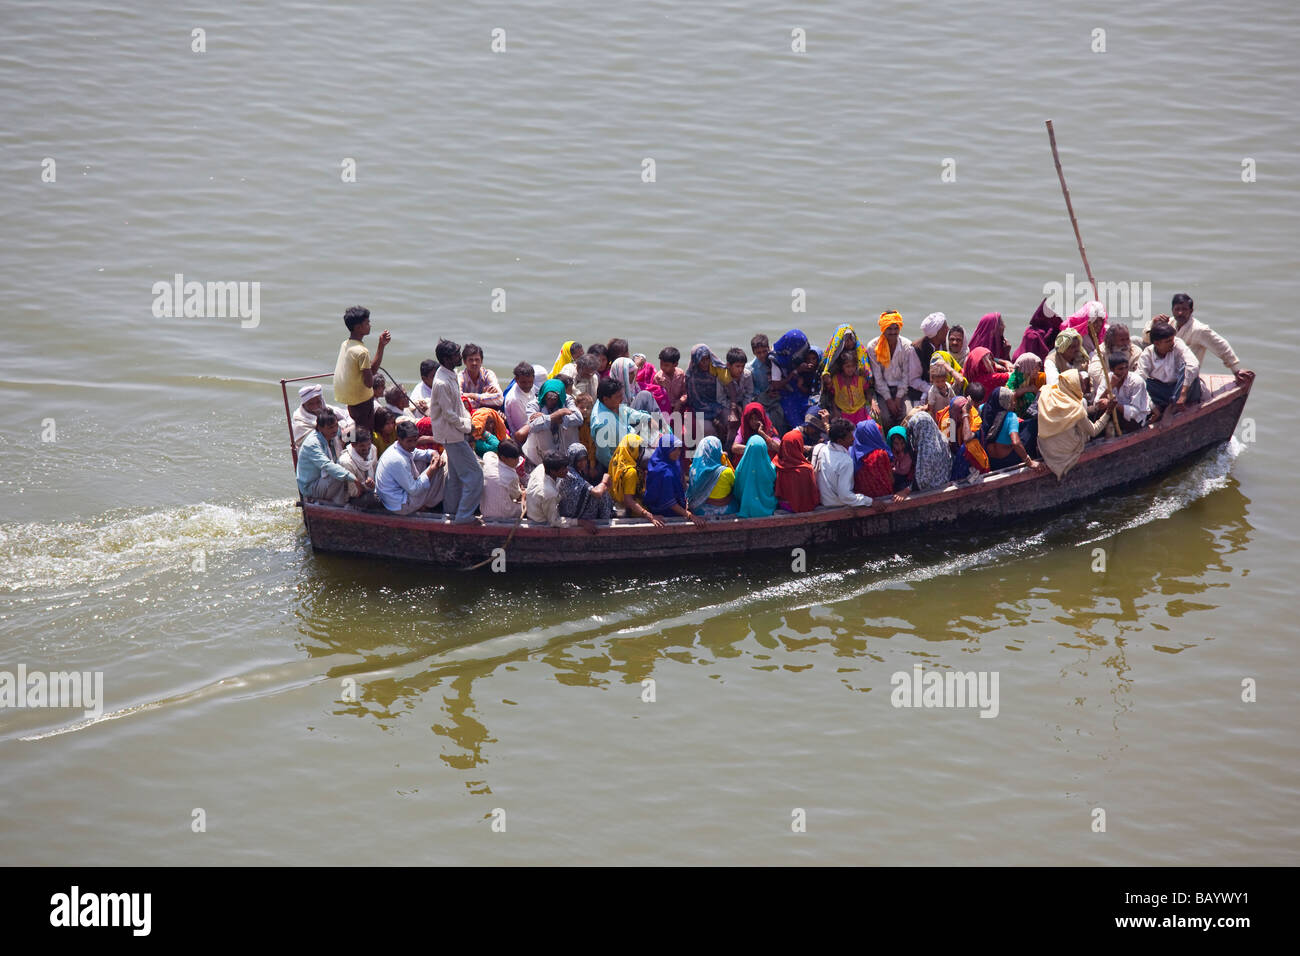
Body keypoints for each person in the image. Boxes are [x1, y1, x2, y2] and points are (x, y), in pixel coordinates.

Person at [428, 339, 483, 523]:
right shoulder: (442, 382)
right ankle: (464, 516)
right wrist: (468, 426)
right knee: (475, 476)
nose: (460, 357)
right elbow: (449, 415)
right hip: (451, 435)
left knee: (456, 476)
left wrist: (468, 421)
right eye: (456, 355)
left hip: (455, 432)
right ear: (446, 358)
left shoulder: (450, 373)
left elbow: (458, 404)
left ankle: (451, 512)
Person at [1143, 294, 1253, 384]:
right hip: (1163, 369)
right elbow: (1148, 341)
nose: (1180, 313)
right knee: (1136, 341)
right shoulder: (1169, 323)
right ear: (1172, 310)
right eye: (1177, 309)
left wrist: (1235, 370)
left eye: (1184, 309)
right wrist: (1154, 324)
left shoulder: (1199, 329)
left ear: (1191, 311)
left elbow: (1221, 345)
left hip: (1183, 375)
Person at [1036, 369, 1109, 479]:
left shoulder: (1047, 393)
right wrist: (1108, 412)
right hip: (1062, 452)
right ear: (1074, 386)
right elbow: (1094, 431)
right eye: (1081, 384)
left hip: (1045, 448)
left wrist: (1096, 408)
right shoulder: (1075, 408)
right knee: (1089, 429)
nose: (1084, 387)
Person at [332, 306, 390, 435]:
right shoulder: (362, 352)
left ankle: (347, 445)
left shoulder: (346, 344)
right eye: (367, 323)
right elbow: (369, 382)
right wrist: (381, 347)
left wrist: (381, 345)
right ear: (358, 327)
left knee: (355, 426)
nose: (370, 325)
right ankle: (357, 450)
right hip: (362, 401)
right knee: (365, 432)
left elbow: (369, 370)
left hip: (350, 400)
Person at [375, 419, 447, 514]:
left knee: (427, 461)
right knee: (439, 468)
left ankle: (428, 501)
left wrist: (435, 454)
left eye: (415, 440)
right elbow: (414, 490)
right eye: (409, 441)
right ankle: (429, 504)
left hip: (395, 498)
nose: (413, 444)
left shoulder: (399, 447)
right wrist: (432, 469)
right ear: (399, 439)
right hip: (400, 505)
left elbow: (422, 453)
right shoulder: (397, 459)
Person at [867, 311, 924, 429]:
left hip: (902, 391)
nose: (893, 332)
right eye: (889, 328)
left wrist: (898, 399)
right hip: (882, 392)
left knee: (908, 416)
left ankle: (903, 443)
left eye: (896, 328)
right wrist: (888, 400)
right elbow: (878, 377)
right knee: (884, 418)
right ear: (883, 329)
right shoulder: (873, 347)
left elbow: (906, 375)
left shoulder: (907, 346)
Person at [297, 411, 366, 505]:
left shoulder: (333, 433)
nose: (334, 430)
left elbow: (350, 434)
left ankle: (355, 493)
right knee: (342, 471)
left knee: (351, 460)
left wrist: (356, 442)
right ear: (320, 428)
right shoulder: (313, 444)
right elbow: (327, 466)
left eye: (336, 425)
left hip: (324, 479)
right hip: (311, 486)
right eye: (330, 427)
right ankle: (343, 502)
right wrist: (354, 479)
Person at [1138, 320, 1202, 422]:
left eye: (1172, 339)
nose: (1172, 343)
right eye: (1168, 341)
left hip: (1180, 388)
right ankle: (1162, 406)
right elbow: (1140, 380)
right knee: (1142, 382)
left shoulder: (1177, 343)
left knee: (1190, 371)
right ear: (1157, 343)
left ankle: (1171, 407)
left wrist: (1183, 393)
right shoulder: (1147, 354)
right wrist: (1152, 406)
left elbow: (1193, 363)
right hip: (1162, 391)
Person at [643, 432, 707, 526]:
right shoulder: (664, 472)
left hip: (676, 500)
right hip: (662, 508)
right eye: (674, 449)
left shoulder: (672, 461)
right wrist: (690, 515)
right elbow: (669, 502)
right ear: (666, 449)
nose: (678, 452)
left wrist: (686, 500)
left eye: (679, 449)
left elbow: (682, 482)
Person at [591, 378, 654, 468]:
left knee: (645, 395)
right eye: (618, 397)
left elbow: (628, 412)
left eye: (621, 395)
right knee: (656, 457)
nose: (622, 399)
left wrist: (648, 419)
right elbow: (604, 456)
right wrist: (623, 469)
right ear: (606, 399)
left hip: (630, 434)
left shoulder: (610, 403)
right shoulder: (602, 424)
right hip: (623, 454)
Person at [518, 378, 583, 466]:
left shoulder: (567, 399)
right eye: (548, 398)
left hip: (564, 448)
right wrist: (555, 415)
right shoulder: (533, 404)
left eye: (554, 399)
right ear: (544, 395)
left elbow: (579, 418)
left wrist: (545, 418)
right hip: (539, 452)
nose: (551, 401)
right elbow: (532, 426)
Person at [811, 419, 873, 507]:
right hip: (835, 503)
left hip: (822, 500)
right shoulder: (845, 461)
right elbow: (845, 496)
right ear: (840, 441)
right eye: (849, 437)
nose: (853, 438)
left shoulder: (819, 448)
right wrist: (869, 501)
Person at [606, 434, 663, 525]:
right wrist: (649, 515)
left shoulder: (617, 459)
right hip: (635, 514)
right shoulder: (631, 472)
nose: (642, 451)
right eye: (639, 449)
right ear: (632, 449)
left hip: (617, 506)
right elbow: (628, 500)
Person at [979, 387, 1040, 473]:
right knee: (1033, 425)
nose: (1014, 404)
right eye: (1011, 402)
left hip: (990, 459)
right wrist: (1029, 462)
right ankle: (1034, 455)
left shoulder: (983, 409)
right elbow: (1015, 443)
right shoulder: (1010, 417)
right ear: (1005, 403)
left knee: (1023, 425)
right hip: (1007, 461)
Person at [897, 410, 952, 497]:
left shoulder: (927, 450)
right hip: (944, 477)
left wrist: (905, 491)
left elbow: (922, 480)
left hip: (934, 486)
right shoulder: (940, 437)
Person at [525, 451, 582, 527]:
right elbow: (555, 521)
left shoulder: (541, 467)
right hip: (540, 522)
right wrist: (579, 522)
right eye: (563, 469)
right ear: (553, 471)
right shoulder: (550, 493)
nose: (567, 470)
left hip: (534, 508)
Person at [558, 442, 613, 520]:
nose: (583, 463)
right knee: (603, 493)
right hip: (572, 515)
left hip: (572, 510)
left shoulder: (572, 469)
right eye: (579, 460)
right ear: (572, 459)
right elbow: (597, 493)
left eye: (584, 459)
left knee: (601, 488)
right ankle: (605, 520)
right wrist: (604, 481)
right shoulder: (571, 474)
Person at [687, 435, 738, 516]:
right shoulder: (726, 472)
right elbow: (735, 487)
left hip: (700, 511)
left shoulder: (693, 469)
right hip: (726, 510)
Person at [291, 383, 353, 449]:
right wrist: (342, 427)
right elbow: (318, 437)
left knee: (353, 427)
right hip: (316, 450)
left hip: (339, 444)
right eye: (311, 404)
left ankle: (351, 452)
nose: (316, 406)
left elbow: (348, 415)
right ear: (304, 405)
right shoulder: (299, 422)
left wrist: (348, 428)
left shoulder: (327, 408)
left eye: (318, 402)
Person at [1086, 323, 1143, 394]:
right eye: (1122, 340)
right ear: (1112, 341)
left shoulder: (1136, 351)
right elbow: (1094, 370)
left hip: (1128, 389)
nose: (1125, 343)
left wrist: (1123, 383)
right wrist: (1110, 382)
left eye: (1127, 339)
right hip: (1106, 388)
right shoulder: (1102, 350)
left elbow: (1140, 372)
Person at [685, 344, 728, 438]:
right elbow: (697, 402)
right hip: (700, 409)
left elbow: (727, 387)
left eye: (707, 359)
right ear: (696, 360)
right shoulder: (691, 377)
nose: (705, 363)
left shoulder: (715, 371)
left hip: (718, 404)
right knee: (708, 429)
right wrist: (715, 421)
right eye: (702, 360)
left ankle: (728, 446)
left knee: (729, 420)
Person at [1100, 353, 1150, 434]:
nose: (1124, 372)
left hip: (1135, 421)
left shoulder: (1136, 382)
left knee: (1112, 409)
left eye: (1126, 368)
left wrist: (1115, 405)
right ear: (1112, 369)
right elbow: (1098, 402)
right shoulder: (1107, 378)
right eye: (1120, 369)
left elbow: (1135, 413)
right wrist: (1111, 386)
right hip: (1114, 414)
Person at [773, 429, 820, 513]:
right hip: (804, 507)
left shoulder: (776, 463)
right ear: (799, 445)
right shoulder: (806, 469)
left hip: (783, 507)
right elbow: (813, 495)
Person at [748, 333, 787, 433]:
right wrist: (766, 394)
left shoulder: (776, 362)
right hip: (761, 399)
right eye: (758, 352)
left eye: (764, 351)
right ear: (753, 352)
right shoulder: (751, 369)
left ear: (769, 348)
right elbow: (752, 390)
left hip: (779, 396)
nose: (762, 355)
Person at [480, 439, 525, 520]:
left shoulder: (489, 460)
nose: (518, 460)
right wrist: (523, 493)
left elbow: (488, 454)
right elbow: (516, 496)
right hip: (504, 514)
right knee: (527, 506)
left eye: (518, 457)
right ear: (503, 457)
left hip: (484, 511)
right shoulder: (511, 476)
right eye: (514, 458)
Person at [778, 348, 820, 432]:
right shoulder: (802, 370)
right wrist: (800, 385)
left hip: (814, 398)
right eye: (808, 359)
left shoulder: (819, 373)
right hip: (800, 395)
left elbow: (814, 391)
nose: (810, 362)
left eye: (813, 359)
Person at [825, 348, 872, 424]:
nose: (851, 369)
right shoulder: (835, 380)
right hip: (842, 411)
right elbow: (832, 396)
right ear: (842, 367)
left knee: (869, 426)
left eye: (853, 366)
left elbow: (867, 391)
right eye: (848, 366)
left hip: (860, 411)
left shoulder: (860, 380)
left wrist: (873, 403)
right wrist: (835, 410)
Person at [851, 420, 895, 498]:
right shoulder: (880, 454)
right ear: (872, 433)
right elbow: (891, 480)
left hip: (864, 500)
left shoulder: (852, 453)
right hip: (885, 499)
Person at [720, 347, 755, 445]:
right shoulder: (722, 377)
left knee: (750, 418)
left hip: (743, 404)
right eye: (737, 366)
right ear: (728, 365)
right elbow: (720, 399)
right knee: (732, 422)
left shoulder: (747, 375)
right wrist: (735, 408)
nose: (740, 369)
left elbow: (749, 394)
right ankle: (729, 446)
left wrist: (744, 408)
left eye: (742, 366)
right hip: (726, 405)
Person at [339, 430, 379, 507]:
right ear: (353, 445)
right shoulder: (346, 462)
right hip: (353, 498)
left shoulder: (373, 449)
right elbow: (353, 492)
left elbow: (375, 470)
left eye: (368, 445)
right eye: (362, 446)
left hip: (372, 490)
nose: (366, 450)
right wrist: (366, 486)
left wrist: (374, 484)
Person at [503, 362, 537, 434]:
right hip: (523, 438)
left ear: (533, 378)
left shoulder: (532, 387)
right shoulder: (515, 400)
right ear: (516, 380)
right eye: (523, 382)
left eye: (530, 382)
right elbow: (522, 427)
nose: (527, 385)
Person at [654, 347, 689, 420]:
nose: (662, 367)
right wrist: (661, 387)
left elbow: (686, 392)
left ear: (675, 364)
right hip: (664, 408)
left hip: (679, 406)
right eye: (661, 364)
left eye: (666, 365)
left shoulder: (681, 374)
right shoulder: (658, 377)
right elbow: (655, 398)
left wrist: (680, 402)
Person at [1006, 352, 1045, 417]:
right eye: (1036, 367)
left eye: (1039, 366)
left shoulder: (1040, 377)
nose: (1039, 369)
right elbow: (1009, 395)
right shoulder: (1014, 379)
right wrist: (1028, 389)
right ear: (1027, 368)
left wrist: (1036, 392)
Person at [886, 426, 914, 492]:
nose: (900, 447)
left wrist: (893, 468)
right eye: (896, 444)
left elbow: (904, 471)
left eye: (902, 443)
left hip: (907, 480)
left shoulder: (909, 452)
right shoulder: (890, 451)